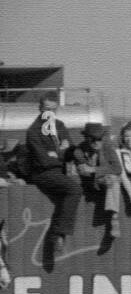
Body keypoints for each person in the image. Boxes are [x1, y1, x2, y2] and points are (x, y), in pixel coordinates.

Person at [24, 91, 81, 254]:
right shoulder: (33, 131)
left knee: (79, 184)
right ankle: (58, 234)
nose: (49, 113)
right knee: (74, 189)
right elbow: (44, 160)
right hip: (43, 173)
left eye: (53, 110)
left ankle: (58, 233)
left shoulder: (60, 126)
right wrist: (61, 154)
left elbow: (70, 150)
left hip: (59, 172)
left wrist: (59, 154)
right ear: (40, 108)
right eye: (46, 109)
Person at [71, 122, 123, 239]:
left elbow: (118, 168)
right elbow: (83, 174)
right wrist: (89, 171)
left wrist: (93, 169)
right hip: (91, 184)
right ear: (86, 138)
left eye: (99, 139)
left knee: (113, 179)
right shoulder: (79, 152)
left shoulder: (107, 146)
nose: (96, 142)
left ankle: (114, 216)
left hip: (106, 179)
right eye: (92, 139)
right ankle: (113, 216)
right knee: (112, 179)